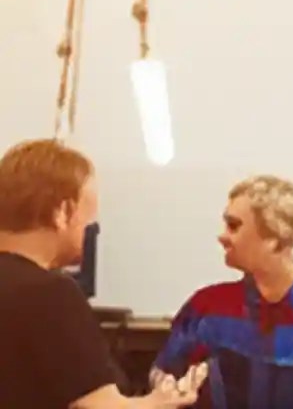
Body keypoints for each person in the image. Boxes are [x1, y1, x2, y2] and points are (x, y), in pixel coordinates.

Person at [0, 138, 206, 408]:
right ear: (63, 212)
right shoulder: (49, 295)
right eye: (89, 217)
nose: (90, 228)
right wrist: (160, 401)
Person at [152, 175, 293, 409]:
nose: (222, 237)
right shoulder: (205, 308)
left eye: (234, 226)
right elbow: (159, 384)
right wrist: (170, 389)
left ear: (274, 238)